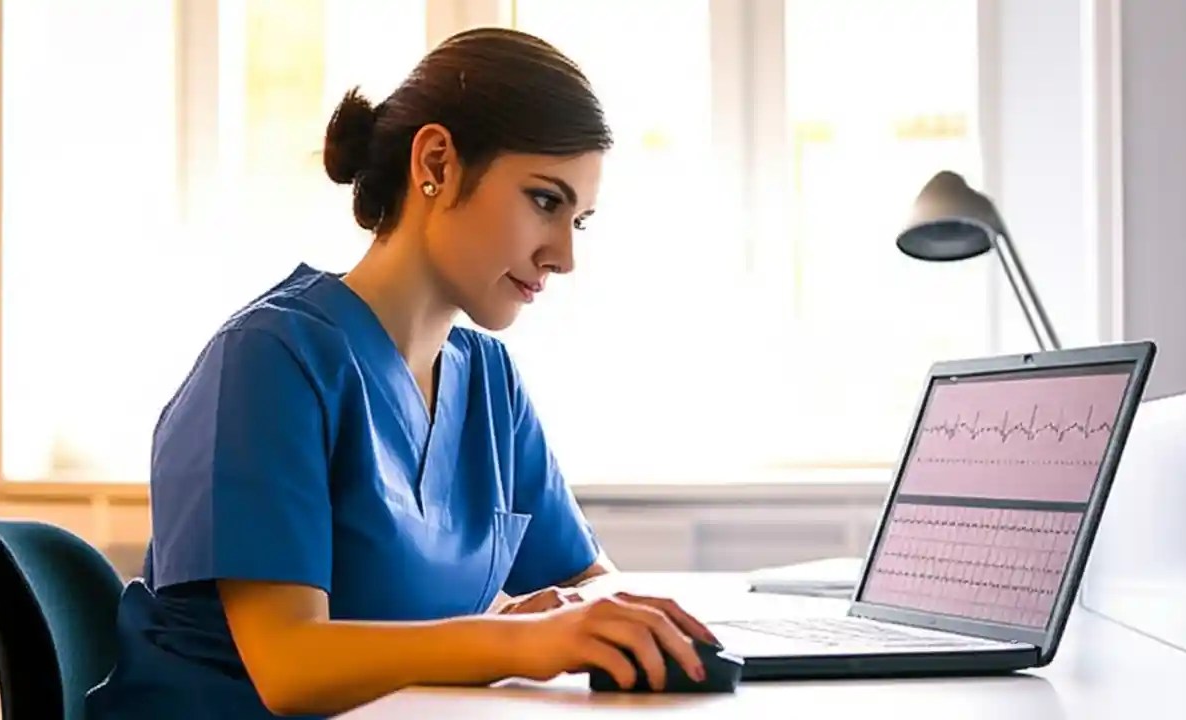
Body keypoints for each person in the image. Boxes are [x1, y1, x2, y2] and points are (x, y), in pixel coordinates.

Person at [86, 27, 719, 719]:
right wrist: (519, 641)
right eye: (544, 201)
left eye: (581, 221)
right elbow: (290, 666)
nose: (563, 256)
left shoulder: (489, 383)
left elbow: (587, 581)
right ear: (438, 163)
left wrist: (603, 624)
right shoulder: (270, 359)